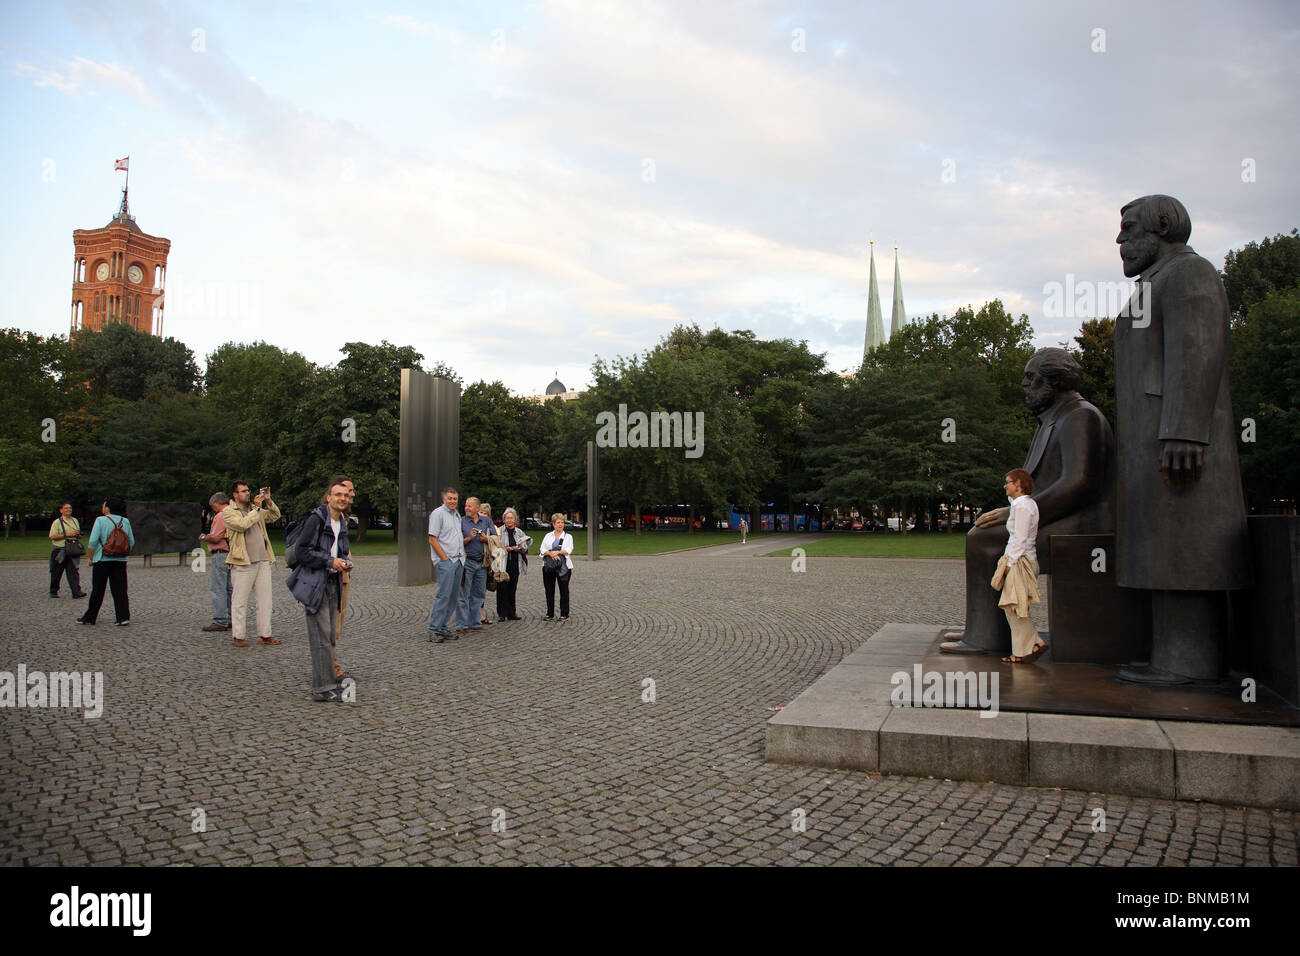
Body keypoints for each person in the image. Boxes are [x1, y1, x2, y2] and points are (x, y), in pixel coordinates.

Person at [1112, 195, 1250, 684]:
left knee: (1185, 546)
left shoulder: (1189, 274)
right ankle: (1172, 655)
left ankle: (1190, 664)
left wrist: (1184, 430)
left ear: (1162, 226)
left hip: (1177, 441)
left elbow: (1199, 352)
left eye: (1128, 229)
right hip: (1153, 438)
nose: (1120, 239)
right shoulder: (1156, 282)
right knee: (1166, 547)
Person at [941, 348, 1114, 656]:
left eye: (1031, 377)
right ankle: (984, 629)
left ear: (1055, 382)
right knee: (987, 534)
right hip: (1062, 516)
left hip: (1085, 523)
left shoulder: (1080, 416)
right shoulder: (1055, 418)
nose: (1024, 384)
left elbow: (1080, 483)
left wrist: (1017, 513)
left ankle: (985, 637)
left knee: (983, 540)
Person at [287, 480, 353, 702]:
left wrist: (344, 562)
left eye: (345, 495)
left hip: (334, 581)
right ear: (328, 497)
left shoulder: (341, 521)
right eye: (337, 495)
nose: (342, 498)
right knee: (320, 636)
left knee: (330, 635)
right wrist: (329, 561)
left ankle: (329, 682)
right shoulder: (317, 519)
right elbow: (302, 551)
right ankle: (321, 688)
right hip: (316, 583)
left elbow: (340, 550)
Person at [222, 481, 281, 648]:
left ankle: (265, 634)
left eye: (248, 490)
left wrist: (268, 501)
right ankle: (238, 636)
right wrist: (256, 509)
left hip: (262, 559)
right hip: (242, 562)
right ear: (235, 494)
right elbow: (242, 525)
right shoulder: (229, 512)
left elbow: (275, 516)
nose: (247, 493)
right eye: (243, 491)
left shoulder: (254, 510)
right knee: (239, 600)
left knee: (265, 600)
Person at [994, 469, 1045, 663]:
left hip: (1020, 561)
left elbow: (1020, 538)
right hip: (1022, 558)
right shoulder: (1023, 504)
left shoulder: (1023, 507)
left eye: (1008, 482)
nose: (1005, 485)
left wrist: (1010, 563)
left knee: (1014, 607)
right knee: (1014, 607)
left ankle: (1031, 645)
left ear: (1019, 484)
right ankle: (1024, 649)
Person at [77, 497, 135, 626]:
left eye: (104, 505)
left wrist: (91, 558)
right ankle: (123, 617)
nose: (102, 507)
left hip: (102, 558)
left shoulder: (100, 520)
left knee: (98, 589)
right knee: (120, 590)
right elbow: (131, 541)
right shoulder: (125, 521)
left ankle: (90, 617)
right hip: (120, 560)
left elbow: (92, 541)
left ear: (108, 508)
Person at [426, 487, 464, 643]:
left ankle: (442, 627)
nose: (453, 501)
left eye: (455, 499)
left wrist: (463, 556)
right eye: (450, 498)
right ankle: (434, 629)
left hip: (458, 560)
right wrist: (444, 559)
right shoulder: (437, 514)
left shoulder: (456, 515)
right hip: (446, 561)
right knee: (443, 596)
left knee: (453, 597)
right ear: (444, 499)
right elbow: (432, 538)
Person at [457, 497, 493, 634]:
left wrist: (486, 539)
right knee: (464, 594)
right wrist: (469, 538)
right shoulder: (461, 521)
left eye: (470, 506)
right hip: (467, 562)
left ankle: (475, 622)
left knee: (478, 594)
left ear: (477, 508)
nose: (467, 508)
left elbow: (496, 538)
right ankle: (462, 625)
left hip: (482, 562)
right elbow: (456, 542)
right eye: (466, 506)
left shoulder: (487, 521)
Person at [199, 492, 231, 632]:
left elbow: (216, 537)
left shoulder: (220, 516)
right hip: (231, 554)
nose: (213, 508)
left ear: (218, 503)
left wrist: (205, 537)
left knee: (218, 588)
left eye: (213, 505)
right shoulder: (232, 513)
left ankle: (220, 619)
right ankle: (231, 618)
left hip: (220, 553)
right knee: (230, 589)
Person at [495, 507, 530, 621]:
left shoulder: (519, 532)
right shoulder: (499, 531)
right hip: (502, 564)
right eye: (507, 518)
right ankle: (502, 613)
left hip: (515, 562)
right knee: (502, 588)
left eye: (511, 518)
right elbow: (495, 548)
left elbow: (526, 548)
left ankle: (511, 612)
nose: (509, 520)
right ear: (504, 519)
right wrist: (507, 549)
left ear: (515, 519)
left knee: (512, 588)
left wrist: (520, 548)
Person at [539, 513, 574, 621]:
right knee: (549, 590)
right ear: (553, 524)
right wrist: (550, 554)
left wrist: (558, 552)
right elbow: (542, 549)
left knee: (564, 590)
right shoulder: (548, 536)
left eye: (562, 522)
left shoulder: (568, 537)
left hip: (563, 567)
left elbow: (569, 549)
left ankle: (564, 613)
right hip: (548, 566)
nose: (560, 525)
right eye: (558, 522)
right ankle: (550, 613)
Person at [48, 503, 86, 599]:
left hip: (72, 549)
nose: (69, 510)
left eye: (70, 508)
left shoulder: (75, 520)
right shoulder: (57, 522)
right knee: (57, 571)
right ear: (61, 510)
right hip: (60, 549)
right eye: (66, 508)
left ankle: (76, 592)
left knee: (73, 570)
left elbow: (77, 533)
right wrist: (68, 534)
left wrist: (78, 535)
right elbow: (52, 536)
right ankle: (53, 591)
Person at [477, 503, 495, 625]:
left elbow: (496, 541)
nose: (483, 515)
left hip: (486, 561)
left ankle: (481, 614)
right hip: (475, 559)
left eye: (485, 514)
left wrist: (487, 539)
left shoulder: (490, 527)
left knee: (482, 590)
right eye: (481, 513)